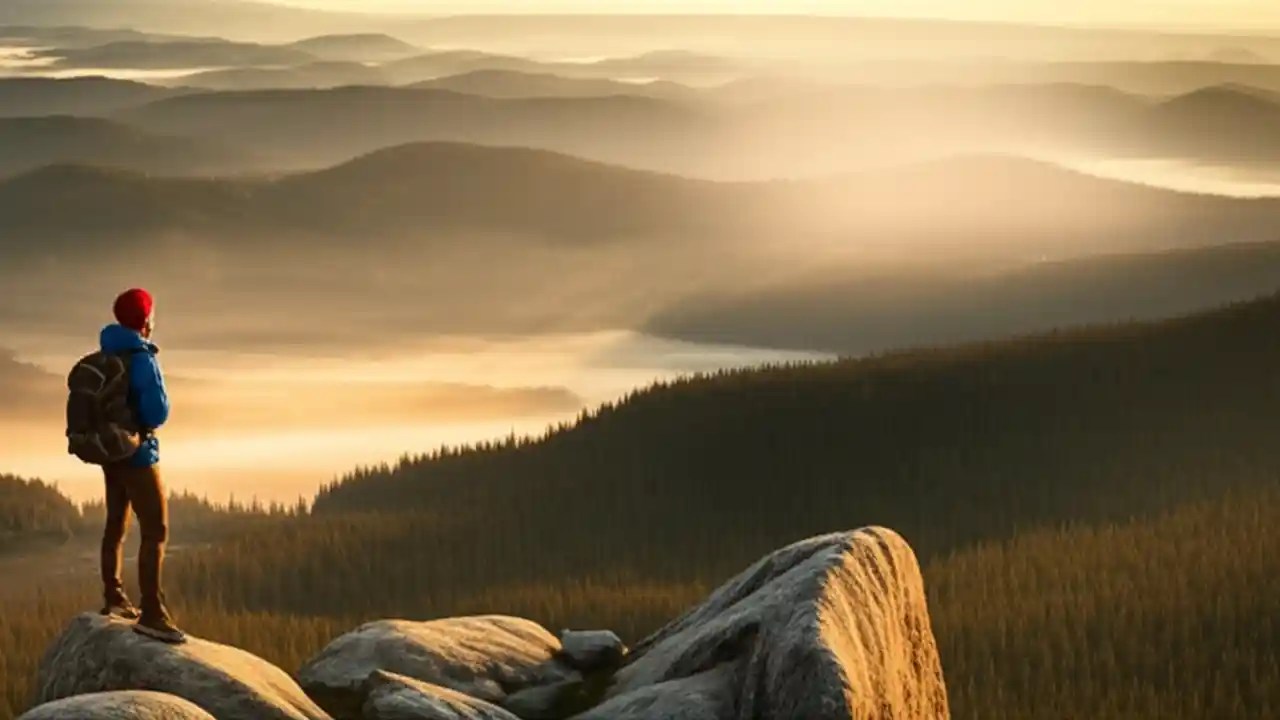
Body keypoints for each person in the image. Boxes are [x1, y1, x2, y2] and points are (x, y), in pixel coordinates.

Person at [98, 288, 187, 644]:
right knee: (155, 530)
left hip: (110, 451)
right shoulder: (141, 357)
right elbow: (157, 412)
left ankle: (114, 596)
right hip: (137, 455)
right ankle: (152, 612)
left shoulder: (107, 351)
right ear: (145, 319)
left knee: (115, 523)